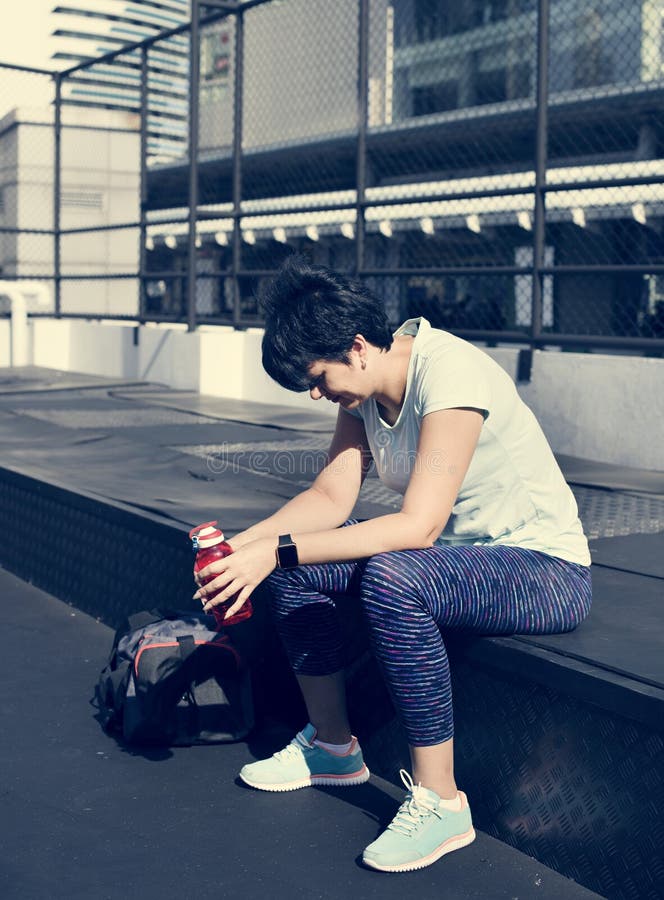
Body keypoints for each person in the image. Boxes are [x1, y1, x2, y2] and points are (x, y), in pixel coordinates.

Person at [193, 255, 592, 874]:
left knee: (388, 572)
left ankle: (442, 801)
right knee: (296, 568)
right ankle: (332, 747)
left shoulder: (449, 372)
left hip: (543, 570)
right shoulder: (364, 392)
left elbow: (417, 526)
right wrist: (247, 550)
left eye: (318, 379)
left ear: (355, 347)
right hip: (453, 565)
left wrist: (276, 547)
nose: (317, 394)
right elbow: (328, 498)